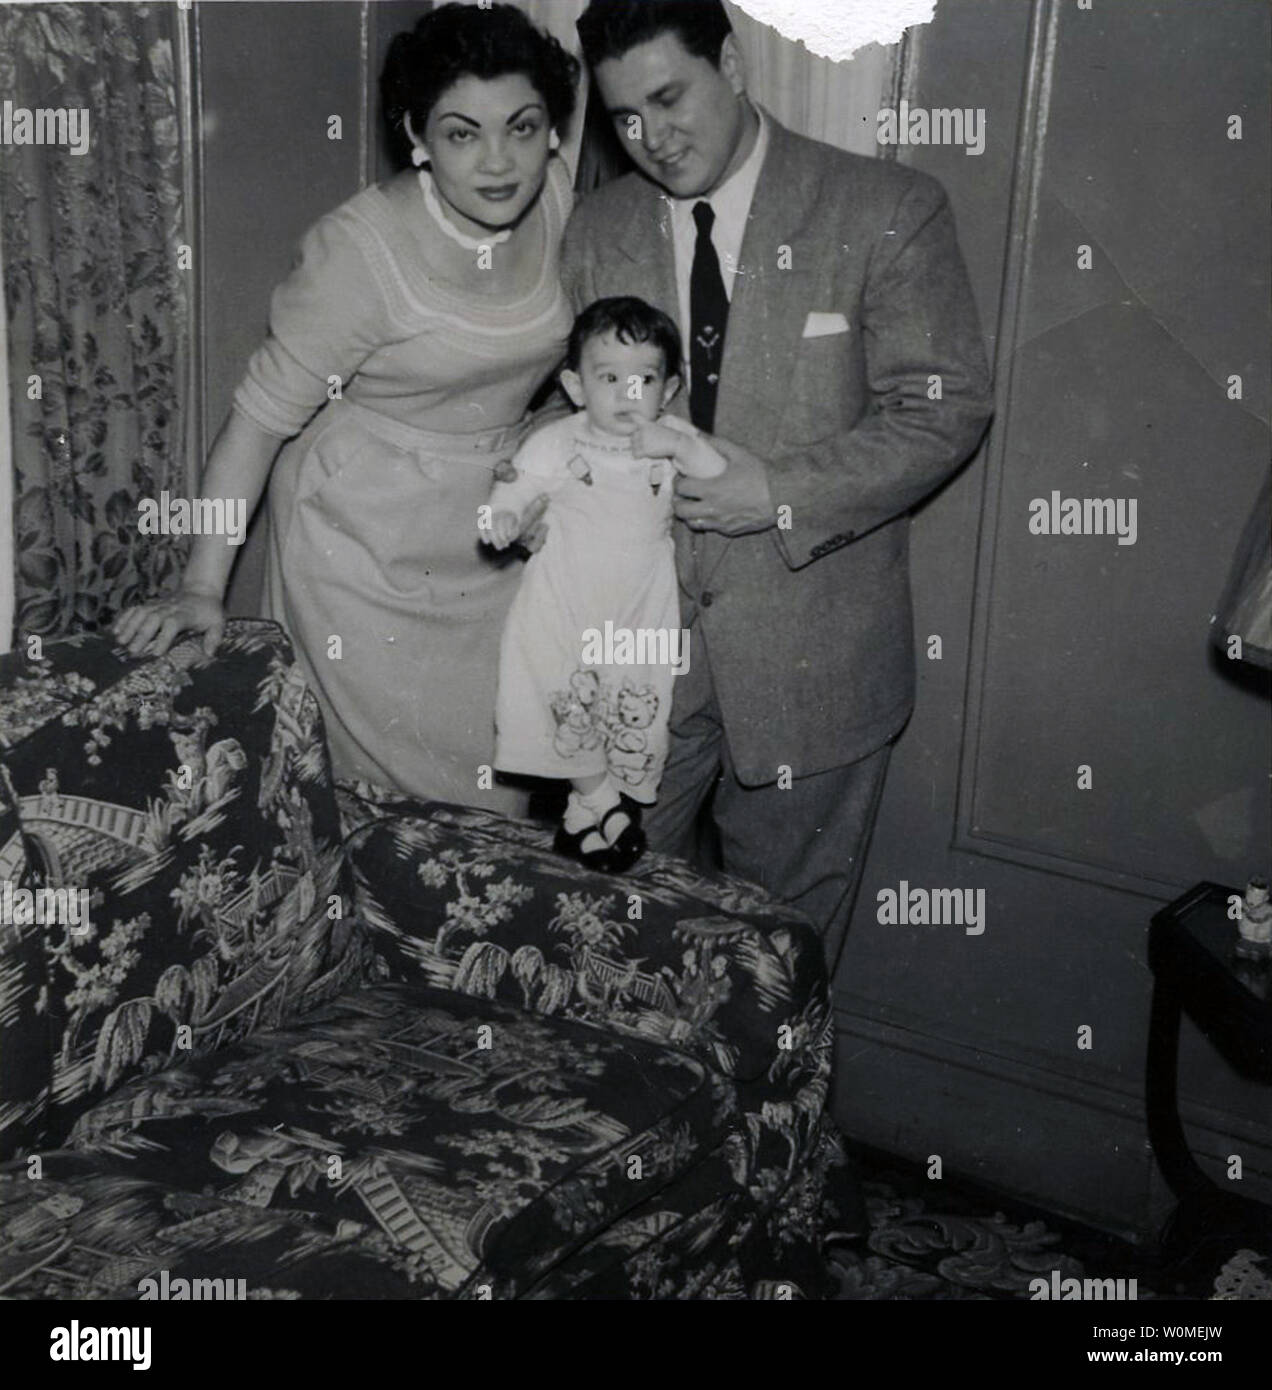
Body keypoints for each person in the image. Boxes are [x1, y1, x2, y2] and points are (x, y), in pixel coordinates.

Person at [565, 0, 994, 974]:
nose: (652, 138)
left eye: (669, 99)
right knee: (602, 941)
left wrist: (780, 493)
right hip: (635, 660)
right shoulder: (595, 228)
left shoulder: (885, 206)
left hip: (815, 664)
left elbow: (945, 406)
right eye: (624, 117)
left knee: (777, 973)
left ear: (731, 62)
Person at [113, 3, 579, 816]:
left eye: (523, 126)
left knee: (498, 783)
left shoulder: (557, 198)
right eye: (462, 133)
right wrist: (201, 586)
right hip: (362, 545)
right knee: (384, 804)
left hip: (491, 540)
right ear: (417, 135)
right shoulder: (358, 253)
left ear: (553, 132)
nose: (499, 161)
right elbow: (256, 423)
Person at [484, 295, 725, 872]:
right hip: (564, 597)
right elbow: (515, 490)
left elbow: (717, 475)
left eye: (646, 379)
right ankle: (601, 800)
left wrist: (682, 444)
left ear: (668, 389)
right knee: (562, 697)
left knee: (628, 704)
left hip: (641, 603)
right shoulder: (558, 441)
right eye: (609, 378)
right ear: (575, 385)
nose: (628, 393)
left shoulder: (669, 436)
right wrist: (502, 517)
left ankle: (577, 823)